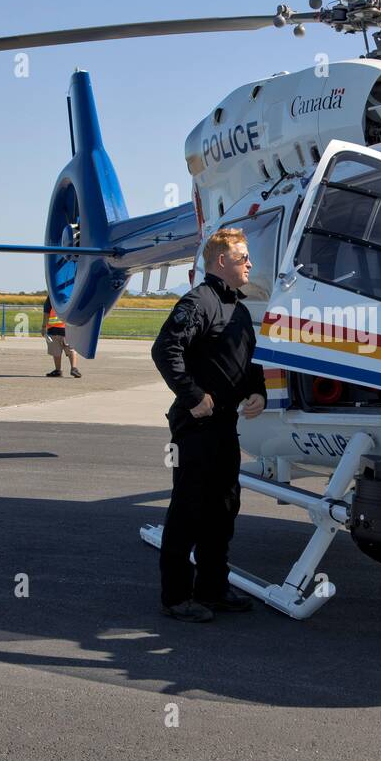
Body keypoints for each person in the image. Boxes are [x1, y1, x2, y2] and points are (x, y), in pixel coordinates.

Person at [151, 228, 266, 623]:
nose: (249, 263)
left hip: (223, 429)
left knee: (223, 509)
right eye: (243, 257)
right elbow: (165, 349)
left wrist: (258, 392)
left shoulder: (240, 309)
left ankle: (213, 588)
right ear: (222, 262)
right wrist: (193, 396)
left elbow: (248, 363)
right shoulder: (199, 301)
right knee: (188, 512)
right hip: (196, 426)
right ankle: (177, 597)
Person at [41, 296, 81, 378]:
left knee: (56, 352)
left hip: (53, 329)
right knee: (70, 349)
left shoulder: (51, 298)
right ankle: (73, 368)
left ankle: (58, 370)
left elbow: (46, 312)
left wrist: (43, 327)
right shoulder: (71, 296)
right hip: (67, 328)